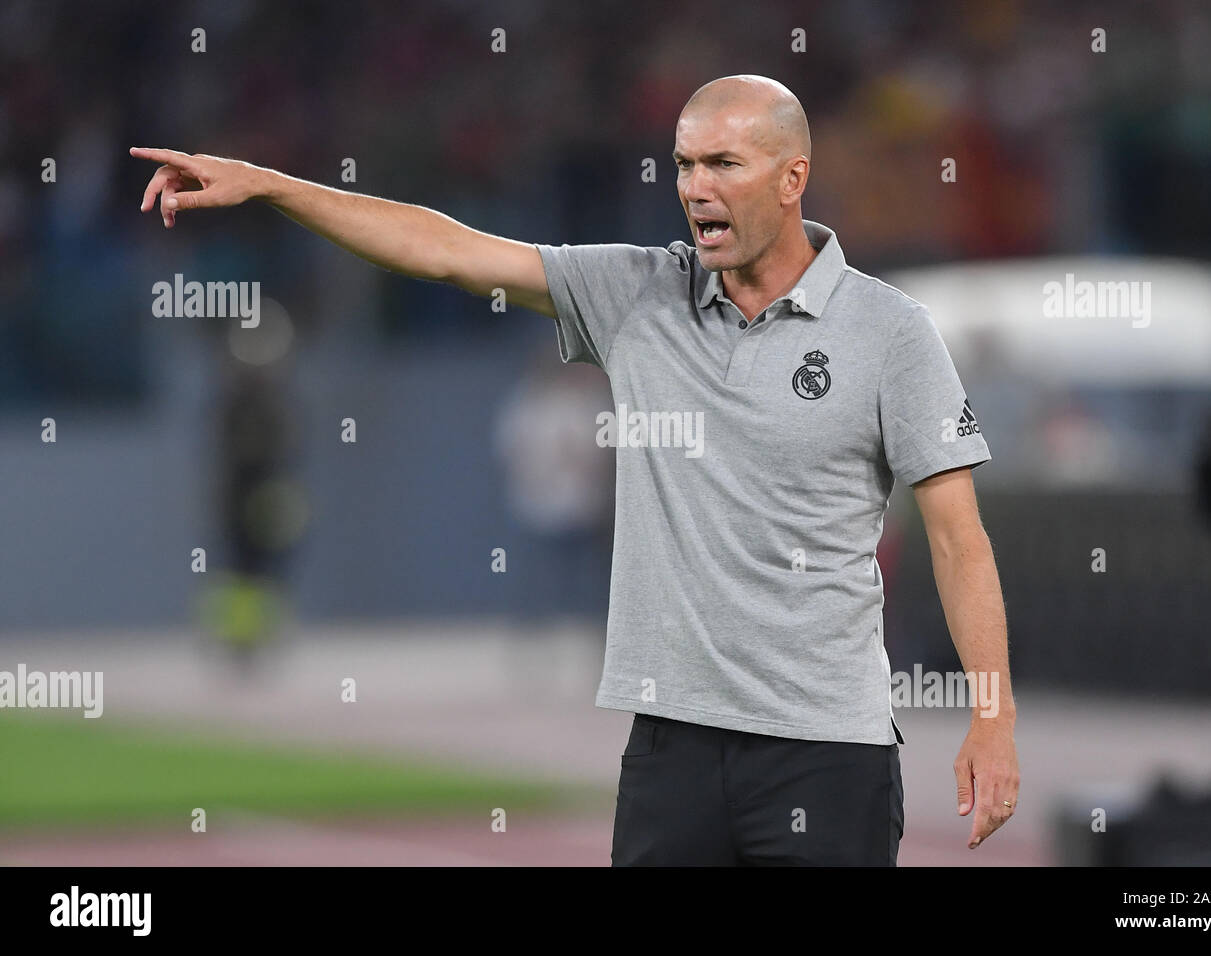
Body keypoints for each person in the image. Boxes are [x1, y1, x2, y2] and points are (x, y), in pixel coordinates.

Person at [130, 72, 1019, 866]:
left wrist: (992, 717)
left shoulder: (890, 333)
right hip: (670, 747)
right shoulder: (636, 294)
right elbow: (441, 247)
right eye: (682, 165)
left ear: (793, 180)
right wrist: (269, 186)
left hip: (826, 752)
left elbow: (958, 542)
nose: (695, 189)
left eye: (723, 164)